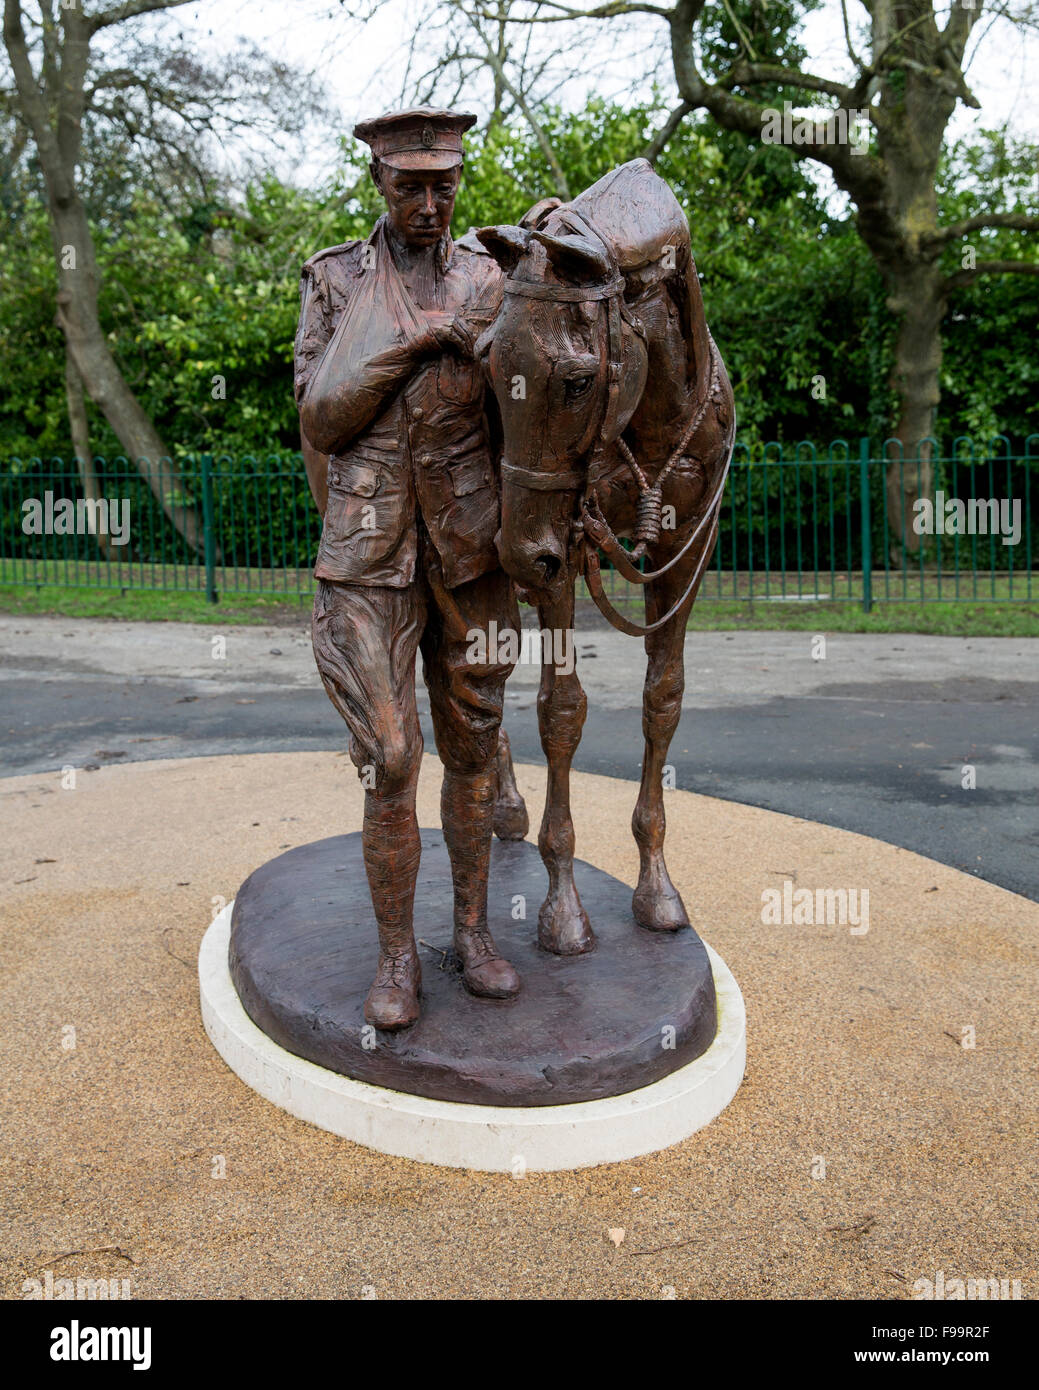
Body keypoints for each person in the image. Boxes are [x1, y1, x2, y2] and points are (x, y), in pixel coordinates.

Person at [294, 107, 521, 1031]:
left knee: (473, 750)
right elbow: (321, 416)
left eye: (444, 185)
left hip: (470, 551)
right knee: (391, 757)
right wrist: (415, 342)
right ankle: (396, 957)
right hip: (369, 550)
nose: (430, 203)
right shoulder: (335, 281)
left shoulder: (493, 278)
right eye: (409, 187)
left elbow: (529, 413)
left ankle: (470, 933)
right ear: (380, 184)